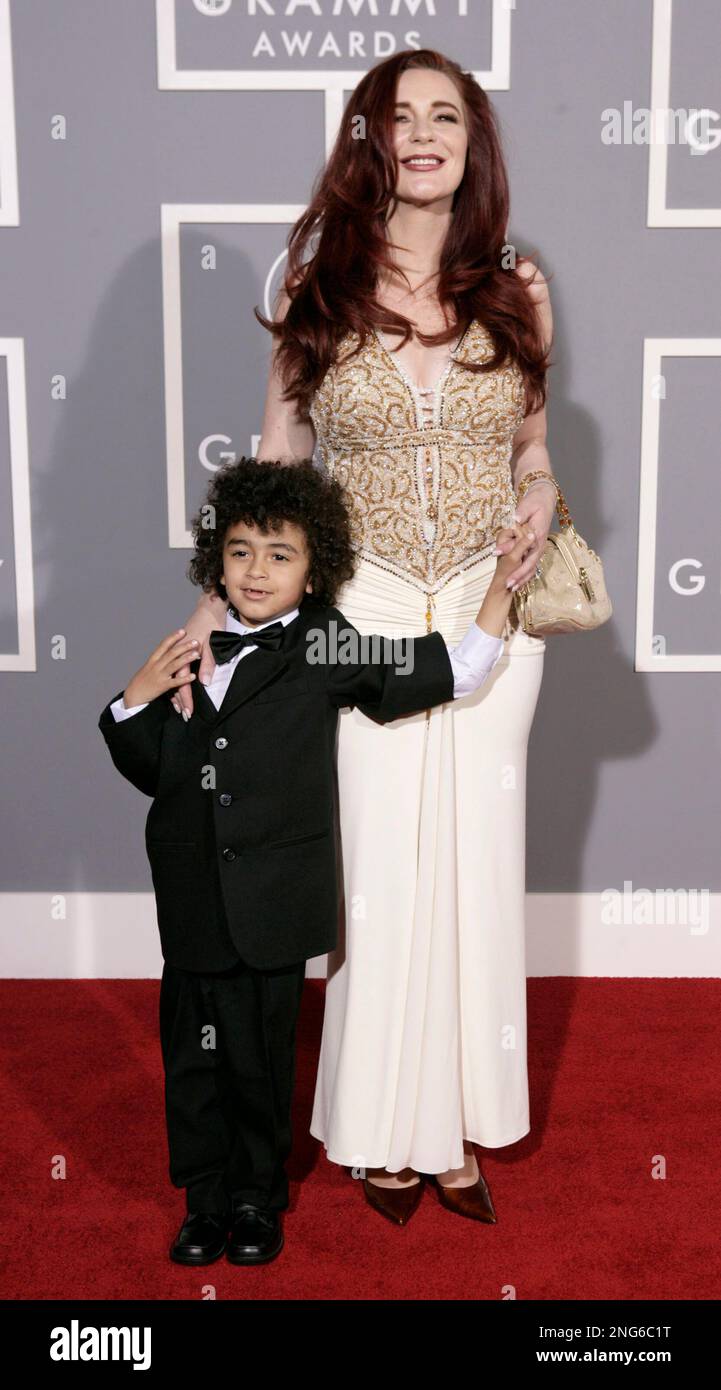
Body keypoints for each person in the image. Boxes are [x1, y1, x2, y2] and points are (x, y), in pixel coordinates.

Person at [173, 49, 558, 1227]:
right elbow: (280, 453)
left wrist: (540, 489)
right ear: (370, 142)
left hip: (497, 611)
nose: (426, 134)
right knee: (383, 884)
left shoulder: (519, 288)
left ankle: (455, 1129)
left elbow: (533, 447)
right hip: (369, 612)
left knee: (477, 880)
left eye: (448, 116)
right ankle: (384, 1129)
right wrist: (208, 608)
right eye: (403, 118)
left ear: (472, 143)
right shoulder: (321, 287)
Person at [98, 457, 535, 1264]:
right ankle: (202, 1203)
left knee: (261, 1064)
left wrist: (501, 590)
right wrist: (135, 693)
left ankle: (258, 1202)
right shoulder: (190, 652)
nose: (255, 570)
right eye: (238, 551)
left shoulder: (327, 646)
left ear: (314, 568)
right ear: (213, 562)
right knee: (193, 1066)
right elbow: (154, 769)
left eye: (278, 553)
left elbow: (447, 672)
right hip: (193, 900)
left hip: (274, 902)